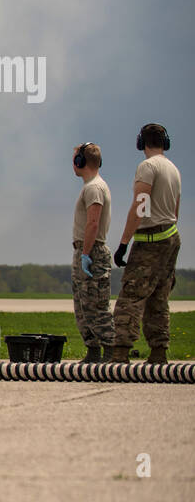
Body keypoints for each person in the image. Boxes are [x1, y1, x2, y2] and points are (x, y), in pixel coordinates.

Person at [109, 123, 181, 364]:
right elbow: (175, 210)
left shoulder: (147, 167)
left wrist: (123, 243)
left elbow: (140, 206)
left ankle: (120, 351)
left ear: (142, 142)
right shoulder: (173, 169)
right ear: (165, 142)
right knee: (158, 299)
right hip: (170, 237)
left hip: (150, 240)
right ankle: (158, 352)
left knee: (131, 297)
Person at [70, 143, 113, 362]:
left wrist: (86, 254)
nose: (73, 163)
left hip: (92, 251)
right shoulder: (91, 186)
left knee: (96, 305)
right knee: (83, 306)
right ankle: (93, 350)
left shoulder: (94, 188)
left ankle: (110, 351)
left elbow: (93, 223)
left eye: (75, 158)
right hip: (84, 251)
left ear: (81, 161)